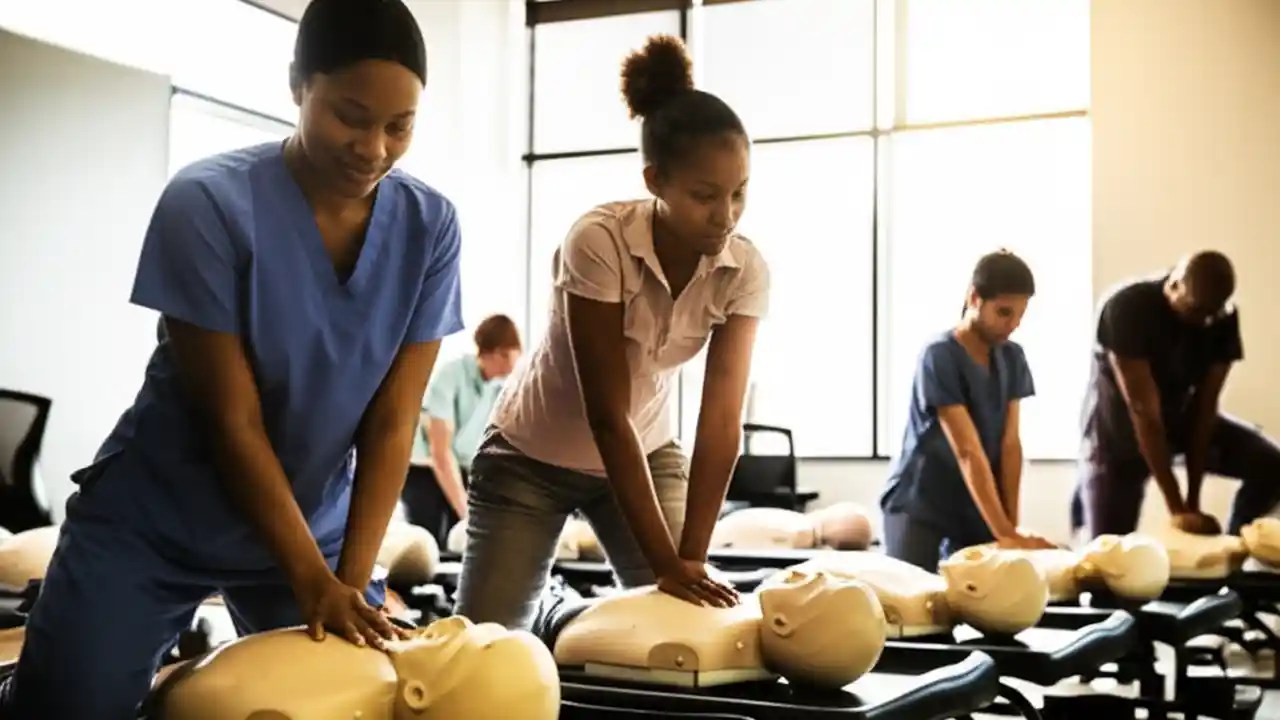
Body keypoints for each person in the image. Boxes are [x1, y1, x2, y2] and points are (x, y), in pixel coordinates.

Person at [0, 2, 464, 717]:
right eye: (350, 115)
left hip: (315, 521)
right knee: (68, 705)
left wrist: (346, 577)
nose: (372, 148)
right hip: (157, 519)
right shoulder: (207, 203)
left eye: (398, 126)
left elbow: (394, 420)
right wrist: (313, 581)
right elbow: (233, 421)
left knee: (347, 700)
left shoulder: (430, 226)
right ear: (296, 87)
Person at [453, 34, 769, 631]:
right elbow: (606, 413)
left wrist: (690, 562)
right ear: (656, 181)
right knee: (485, 649)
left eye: (739, 193)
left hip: (647, 455)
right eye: (704, 196)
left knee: (692, 627)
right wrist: (664, 565)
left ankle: (563, 611)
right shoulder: (598, 241)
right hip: (530, 460)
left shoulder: (744, 269)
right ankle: (549, 611)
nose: (725, 216)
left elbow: (722, 421)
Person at [1076, 251, 1280, 539]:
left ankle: (1235, 552)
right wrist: (1178, 510)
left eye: (1212, 315)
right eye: (1196, 312)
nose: (1204, 322)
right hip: (1116, 437)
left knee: (1270, 466)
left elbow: (1205, 408)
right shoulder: (1127, 309)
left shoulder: (1221, 317)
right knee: (1107, 553)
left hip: (1179, 421)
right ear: (1173, 286)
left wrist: (1193, 501)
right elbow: (1144, 413)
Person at [880, 250, 1054, 572]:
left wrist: (1009, 529)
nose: (1013, 324)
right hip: (919, 504)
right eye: (1004, 313)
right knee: (914, 605)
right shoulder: (939, 355)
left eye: (1020, 315)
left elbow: (1010, 446)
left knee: (986, 599)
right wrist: (1003, 533)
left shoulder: (1013, 357)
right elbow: (967, 451)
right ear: (975, 298)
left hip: (971, 504)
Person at [403, 314, 522, 539]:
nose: (511, 363)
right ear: (489, 353)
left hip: (464, 468)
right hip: (426, 470)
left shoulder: (501, 388)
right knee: (432, 541)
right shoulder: (451, 376)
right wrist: (466, 513)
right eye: (505, 355)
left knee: (464, 542)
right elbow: (441, 453)